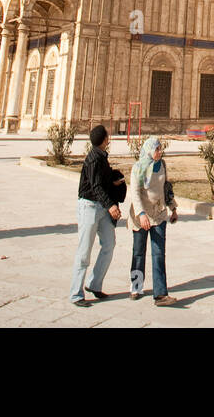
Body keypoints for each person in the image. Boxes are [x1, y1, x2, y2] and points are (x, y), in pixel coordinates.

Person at [70, 125, 125, 307]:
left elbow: (103, 181)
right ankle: (76, 294)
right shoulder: (93, 158)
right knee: (84, 250)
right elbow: (95, 186)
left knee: (109, 244)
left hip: (102, 207)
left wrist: (114, 180)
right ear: (103, 140)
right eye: (107, 136)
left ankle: (94, 283)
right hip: (89, 207)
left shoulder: (102, 157)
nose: (109, 138)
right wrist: (110, 206)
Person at [125, 136, 179, 306]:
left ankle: (161, 294)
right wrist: (141, 214)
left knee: (158, 254)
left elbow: (166, 188)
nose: (160, 151)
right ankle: (136, 286)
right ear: (149, 150)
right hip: (141, 216)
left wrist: (173, 208)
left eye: (160, 148)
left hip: (159, 214)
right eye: (157, 149)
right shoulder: (138, 168)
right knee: (138, 253)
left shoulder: (162, 165)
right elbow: (134, 193)